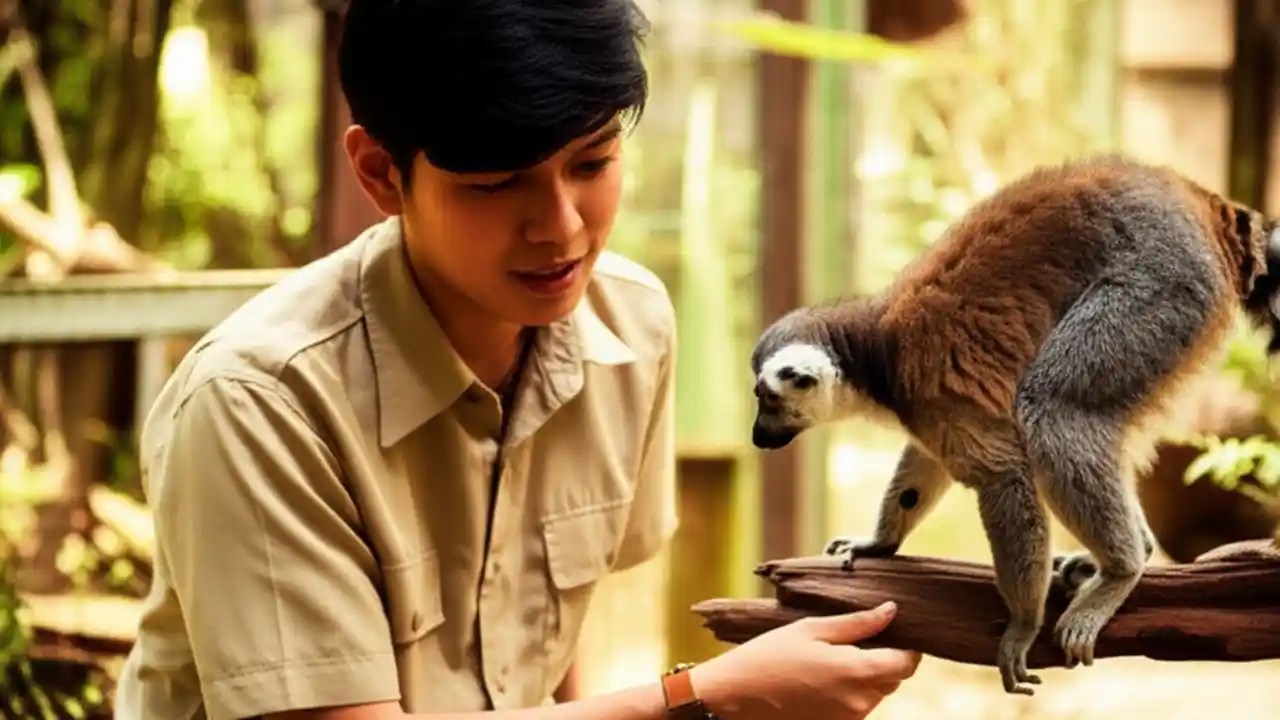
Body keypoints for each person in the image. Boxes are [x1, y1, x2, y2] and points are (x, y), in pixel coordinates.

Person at [113, 1, 923, 718]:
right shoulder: (258, 403)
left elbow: (556, 642)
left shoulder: (631, 328)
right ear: (379, 174)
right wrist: (702, 698)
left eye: (593, 163)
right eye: (499, 184)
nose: (561, 227)